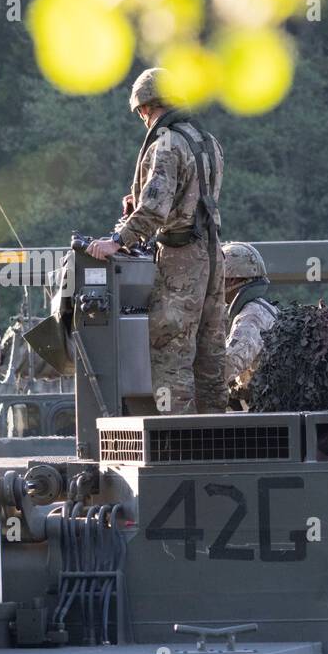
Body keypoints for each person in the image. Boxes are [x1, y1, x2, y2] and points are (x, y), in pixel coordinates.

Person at [86, 67, 226, 415]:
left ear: (146, 107)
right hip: (212, 254)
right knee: (210, 353)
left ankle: (177, 448)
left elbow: (154, 209)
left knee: (170, 351)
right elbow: (192, 198)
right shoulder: (208, 142)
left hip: (180, 260)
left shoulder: (166, 144)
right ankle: (218, 442)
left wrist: (117, 240)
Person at [222, 242, 277, 408]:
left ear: (231, 279)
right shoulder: (260, 307)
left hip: (266, 411)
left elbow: (229, 363)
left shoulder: (250, 316)